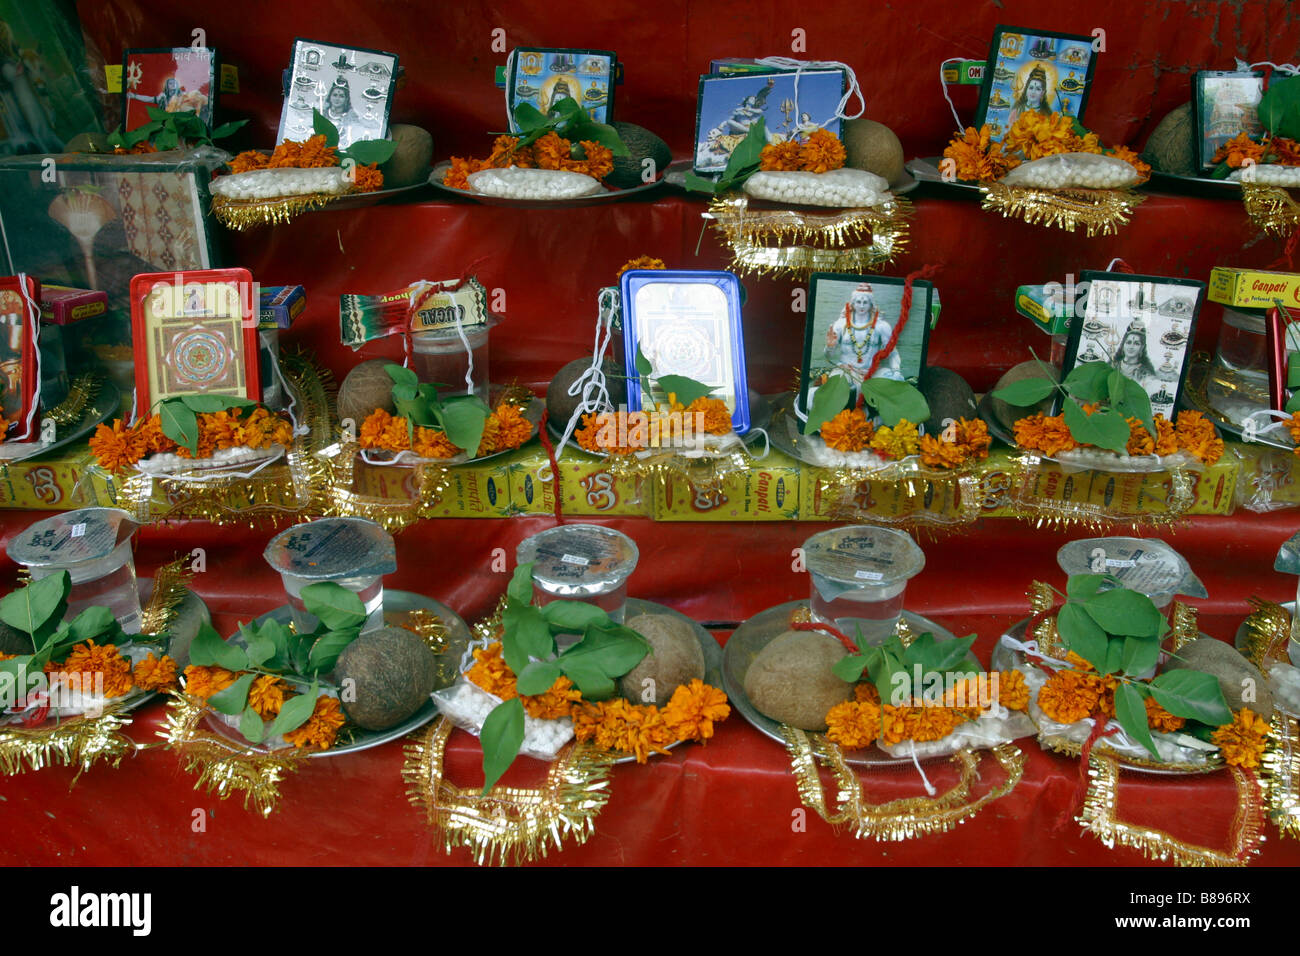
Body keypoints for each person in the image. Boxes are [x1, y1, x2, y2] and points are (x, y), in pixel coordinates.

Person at [824, 283, 903, 385]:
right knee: (837, 384)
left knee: (896, 380)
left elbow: (892, 352)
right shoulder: (840, 324)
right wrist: (830, 347)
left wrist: (896, 371)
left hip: (872, 371)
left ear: (871, 304)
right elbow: (828, 356)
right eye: (858, 302)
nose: (861, 306)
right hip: (846, 370)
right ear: (852, 303)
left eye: (865, 302)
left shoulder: (882, 326)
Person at [1111, 322, 1157, 392]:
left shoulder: (1146, 374)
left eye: (1136, 343)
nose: (1131, 347)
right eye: (1128, 342)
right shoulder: (1113, 365)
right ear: (1123, 345)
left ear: (1142, 347)